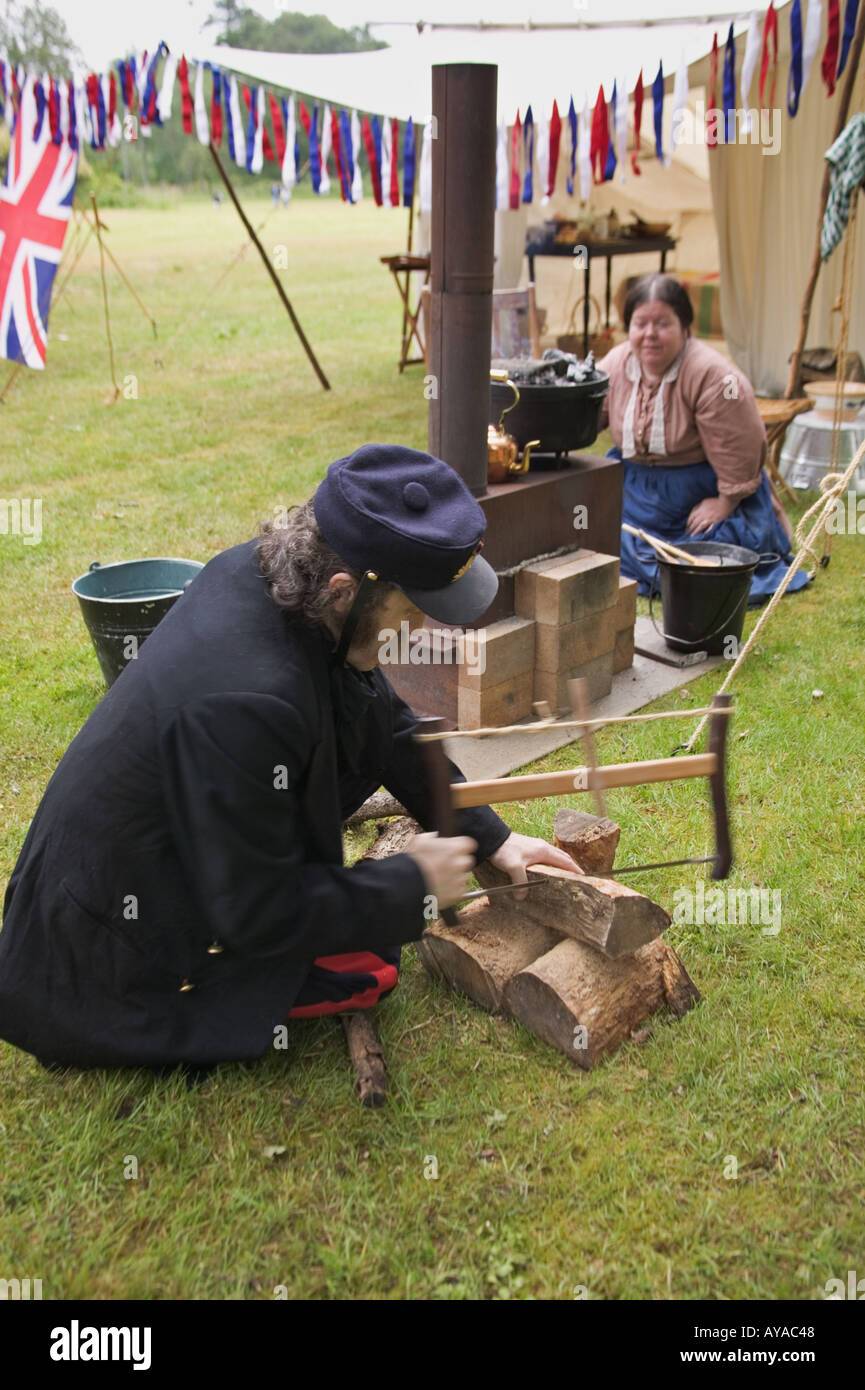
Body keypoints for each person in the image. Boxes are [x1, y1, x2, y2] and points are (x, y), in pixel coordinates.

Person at [0, 444, 575, 1072]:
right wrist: (410, 884)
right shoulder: (249, 699)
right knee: (371, 967)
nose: (419, 633)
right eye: (413, 613)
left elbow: (382, 721)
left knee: (365, 935)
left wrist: (491, 836)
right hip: (104, 955)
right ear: (343, 591)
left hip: (172, 857)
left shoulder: (275, 580)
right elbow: (256, 909)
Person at [597, 273, 809, 601]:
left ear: (685, 327)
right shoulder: (617, 363)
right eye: (640, 324)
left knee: (710, 558)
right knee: (592, 536)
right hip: (634, 489)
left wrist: (726, 502)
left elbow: (740, 443)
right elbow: (586, 411)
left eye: (663, 324)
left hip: (698, 491)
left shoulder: (713, 376)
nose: (650, 334)